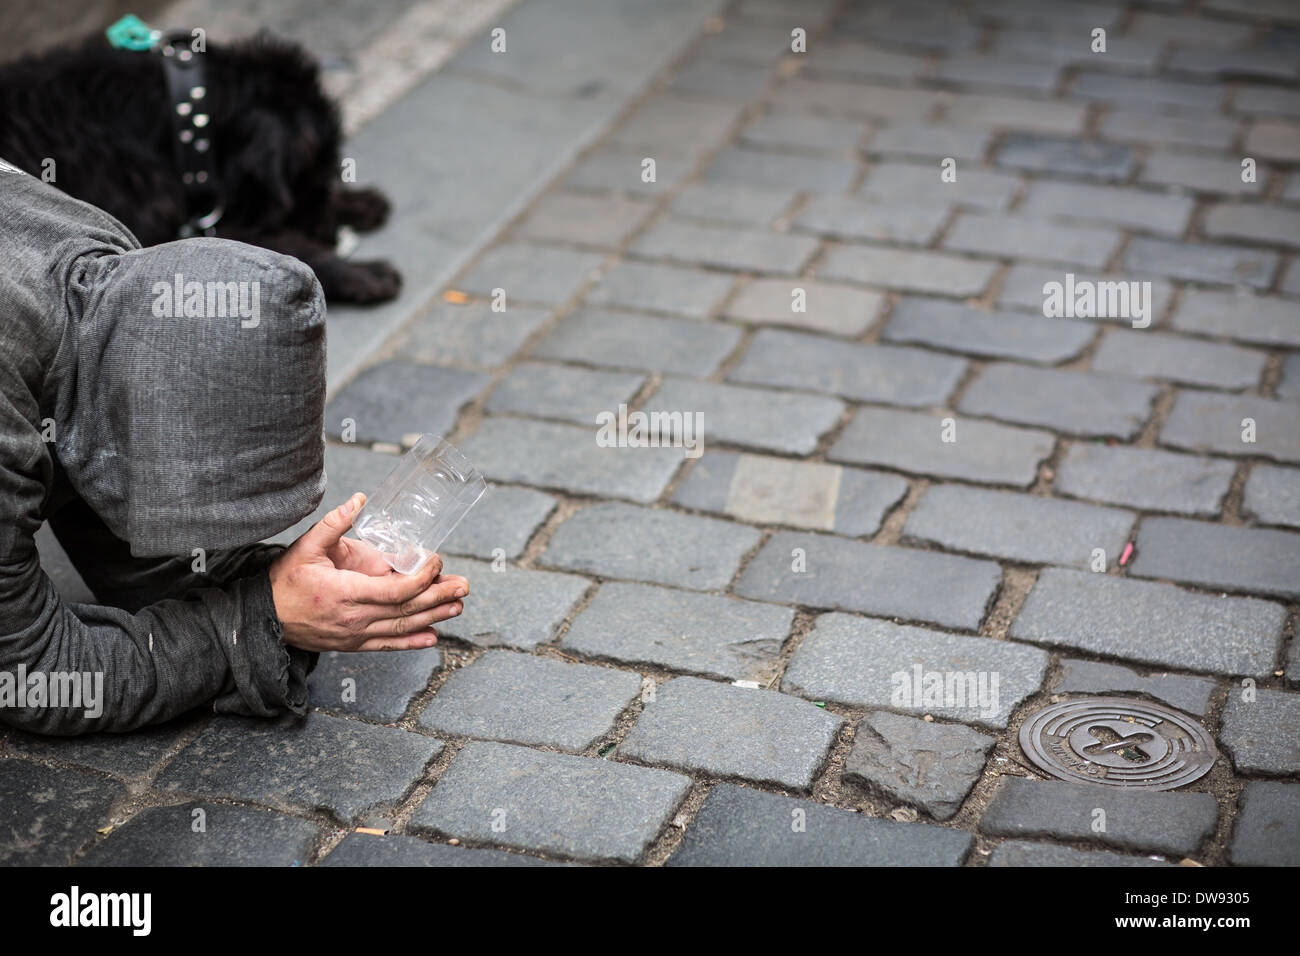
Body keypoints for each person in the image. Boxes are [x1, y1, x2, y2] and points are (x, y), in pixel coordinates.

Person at [0, 160, 468, 736]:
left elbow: (113, 507)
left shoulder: (107, 270)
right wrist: (263, 617)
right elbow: (34, 673)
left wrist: (290, 581)